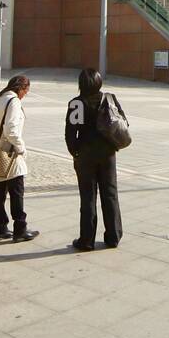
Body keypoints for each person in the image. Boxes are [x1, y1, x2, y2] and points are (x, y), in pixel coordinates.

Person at [64, 68, 124, 251]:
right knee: (110, 194)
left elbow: (70, 133)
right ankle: (113, 236)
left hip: (85, 156)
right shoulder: (109, 99)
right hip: (107, 154)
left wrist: (75, 152)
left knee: (88, 197)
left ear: (81, 84)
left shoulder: (77, 103)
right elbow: (123, 123)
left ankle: (87, 240)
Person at [0, 75, 40, 243]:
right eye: (26, 91)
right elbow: (11, 129)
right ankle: (20, 229)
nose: (25, 95)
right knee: (17, 191)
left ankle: (0, 228)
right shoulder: (13, 101)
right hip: (11, 152)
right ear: (21, 89)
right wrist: (21, 147)